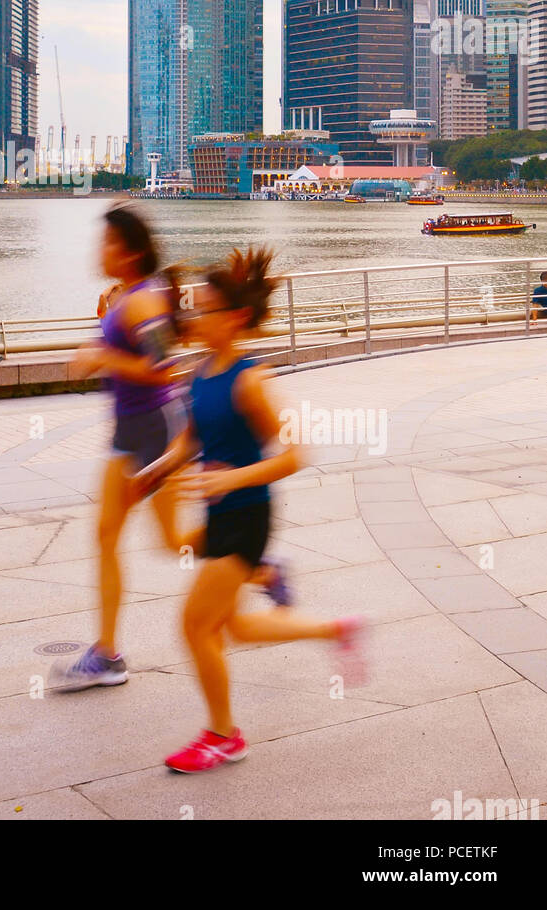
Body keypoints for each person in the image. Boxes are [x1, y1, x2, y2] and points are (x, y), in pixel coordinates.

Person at [153, 248, 367, 773]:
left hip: (248, 517)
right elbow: (189, 441)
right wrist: (151, 473)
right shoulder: (200, 373)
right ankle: (334, 630)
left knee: (195, 626)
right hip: (221, 517)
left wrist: (232, 477)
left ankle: (222, 736)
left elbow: (296, 452)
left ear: (236, 318)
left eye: (204, 310)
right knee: (236, 629)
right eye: (194, 308)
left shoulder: (252, 380)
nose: (194, 317)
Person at [52, 204, 187, 691]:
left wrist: (102, 355)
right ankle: (107, 654)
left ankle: (256, 565)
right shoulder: (127, 298)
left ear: (129, 250)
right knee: (107, 534)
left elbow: (164, 368)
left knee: (173, 541)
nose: (99, 250)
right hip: (129, 430)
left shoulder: (144, 303)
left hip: (154, 428)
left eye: (107, 241)